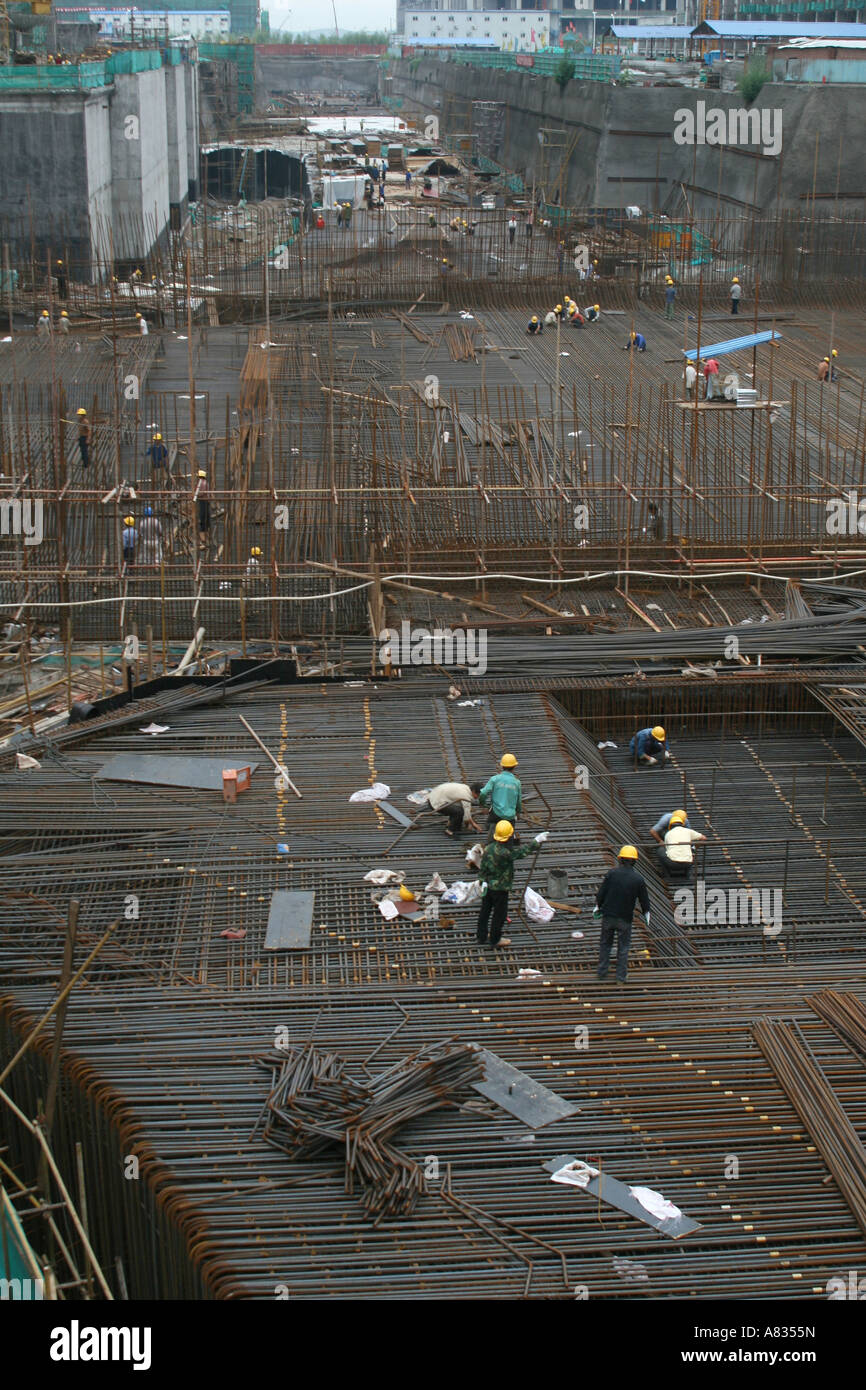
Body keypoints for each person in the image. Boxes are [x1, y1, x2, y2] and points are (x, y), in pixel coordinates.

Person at [476, 821, 548, 950]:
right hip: (500, 888)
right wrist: (536, 841)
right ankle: (495, 939)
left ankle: (481, 936)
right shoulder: (505, 853)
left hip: (487, 885)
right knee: (499, 915)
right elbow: (520, 853)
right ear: (508, 836)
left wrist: (482, 881)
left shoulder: (488, 848)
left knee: (485, 911)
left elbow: (483, 866)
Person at [593, 845, 650, 984]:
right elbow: (644, 901)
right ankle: (620, 977)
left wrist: (598, 907)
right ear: (635, 861)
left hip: (609, 916)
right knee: (623, 948)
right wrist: (646, 914)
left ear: (620, 859)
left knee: (605, 944)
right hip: (625, 919)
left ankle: (602, 972)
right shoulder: (638, 879)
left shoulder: (611, 874)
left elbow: (601, 893)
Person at [479, 753, 522, 842]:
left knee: (491, 839)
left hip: (496, 814)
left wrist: (483, 804)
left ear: (502, 766)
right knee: (508, 841)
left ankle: (490, 848)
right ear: (514, 767)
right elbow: (518, 801)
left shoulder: (495, 779)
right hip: (510, 816)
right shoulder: (517, 783)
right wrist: (518, 813)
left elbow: (483, 793)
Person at [656, 810, 706, 881]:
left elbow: (667, 848)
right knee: (690, 849)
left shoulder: (668, 834)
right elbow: (704, 838)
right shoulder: (688, 831)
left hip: (672, 864)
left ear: (670, 825)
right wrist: (694, 849)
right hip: (688, 863)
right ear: (682, 824)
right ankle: (688, 874)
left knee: (660, 849)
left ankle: (667, 875)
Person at [194, 469, 210, 543]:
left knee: (202, 519)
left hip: (202, 502)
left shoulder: (201, 483)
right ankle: (206, 536)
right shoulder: (206, 482)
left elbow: (201, 493)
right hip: (206, 501)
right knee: (205, 519)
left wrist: (195, 494)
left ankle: (203, 538)